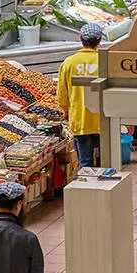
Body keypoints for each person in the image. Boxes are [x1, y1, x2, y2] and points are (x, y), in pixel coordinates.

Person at [58, 23, 103, 168]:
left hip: (80, 119)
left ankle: (88, 186)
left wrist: (65, 111)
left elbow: (62, 93)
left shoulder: (69, 63)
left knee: (85, 162)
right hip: (102, 119)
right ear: (99, 40)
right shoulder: (104, 61)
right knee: (107, 160)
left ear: (80, 38)